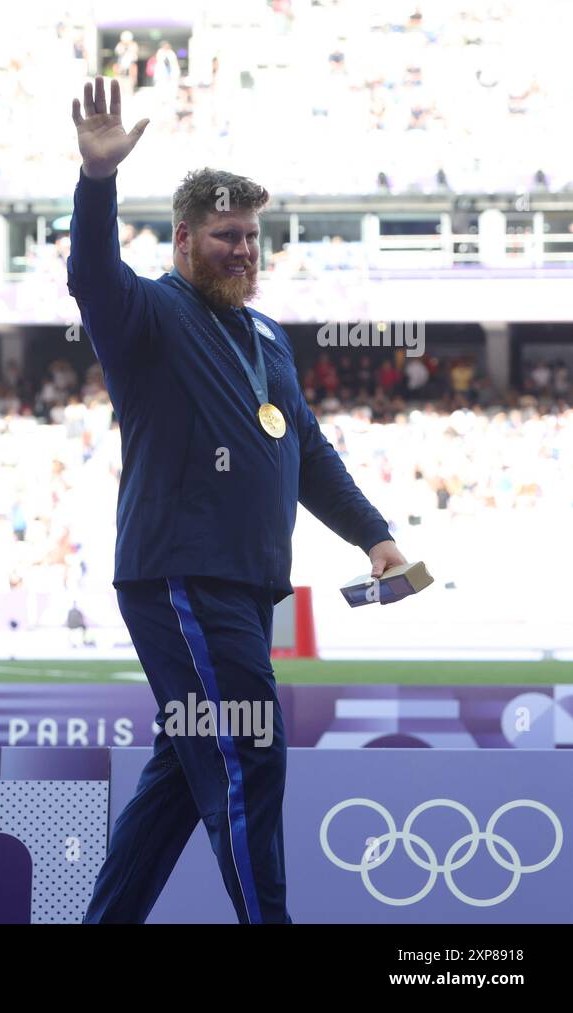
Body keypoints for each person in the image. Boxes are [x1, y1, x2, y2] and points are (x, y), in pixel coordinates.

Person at [68, 77, 405, 924]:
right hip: (184, 577)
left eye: (253, 235)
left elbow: (307, 451)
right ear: (183, 239)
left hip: (249, 588)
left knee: (185, 775)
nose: (244, 250)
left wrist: (375, 536)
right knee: (250, 751)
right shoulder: (144, 313)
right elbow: (90, 275)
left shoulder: (265, 335)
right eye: (226, 235)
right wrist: (97, 181)